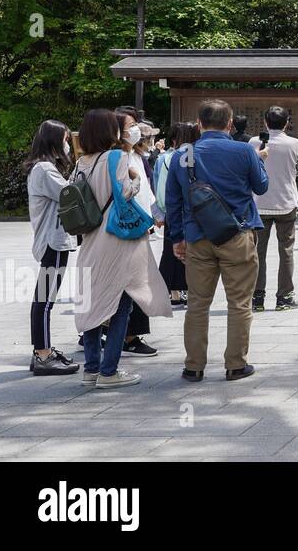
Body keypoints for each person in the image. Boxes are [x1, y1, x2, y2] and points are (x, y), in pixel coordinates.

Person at [166, 99, 268, 383]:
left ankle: (194, 366)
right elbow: (261, 186)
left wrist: (177, 238)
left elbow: (173, 203)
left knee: (197, 303)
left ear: (199, 124)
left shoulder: (182, 155)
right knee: (239, 302)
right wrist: (259, 161)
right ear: (230, 123)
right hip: (237, 232)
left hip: (197, 237)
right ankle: (235, 364)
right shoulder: (243, 151)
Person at [71, 109, 172, 388]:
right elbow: (126, 193)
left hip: (90, 241)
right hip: (115, 240)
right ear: (109, 131)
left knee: (92, 304)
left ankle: (91, 368)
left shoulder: (82, 162)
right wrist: (135, 178)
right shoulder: (116, 157)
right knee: (121, 305)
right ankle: (109, 371)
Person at [25, 119, 80, 375]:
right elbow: (69, 194)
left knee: (44, 298)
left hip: (53, 240)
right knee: (45, 300)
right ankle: (43, 355)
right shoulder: (45, 170)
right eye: (66, 139)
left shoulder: (44, 168)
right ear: (55, 140)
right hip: (52, 241)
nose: (68, 144)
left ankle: (42, 350)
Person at [111, 106, 159, 358]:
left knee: (136, 282)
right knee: (132, 283)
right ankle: (126, 336)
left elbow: (145, 192)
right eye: (130, 125)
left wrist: (154, 217)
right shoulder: (117, 157)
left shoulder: (135, 155)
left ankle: (125, 333)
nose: (135, 129)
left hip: (139, 225)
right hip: (125, 229)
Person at [250, 107, 298, 312]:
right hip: (286, 202)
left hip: (259, 203)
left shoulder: (254, 142)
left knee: (257, 252)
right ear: (287, 122)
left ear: (265, 122)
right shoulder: (294, 143)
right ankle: (284, 296)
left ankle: (257, 296)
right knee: (286, 251)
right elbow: (297, 170)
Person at [155, 123, 198, 309]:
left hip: (171, 210)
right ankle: (183, 291)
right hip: (189, 211)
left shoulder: (165, 158)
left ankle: (171, 292)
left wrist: (161, 211)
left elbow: (160, 187)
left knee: (170, 251)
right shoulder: (191, 156)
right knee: (185, 252)